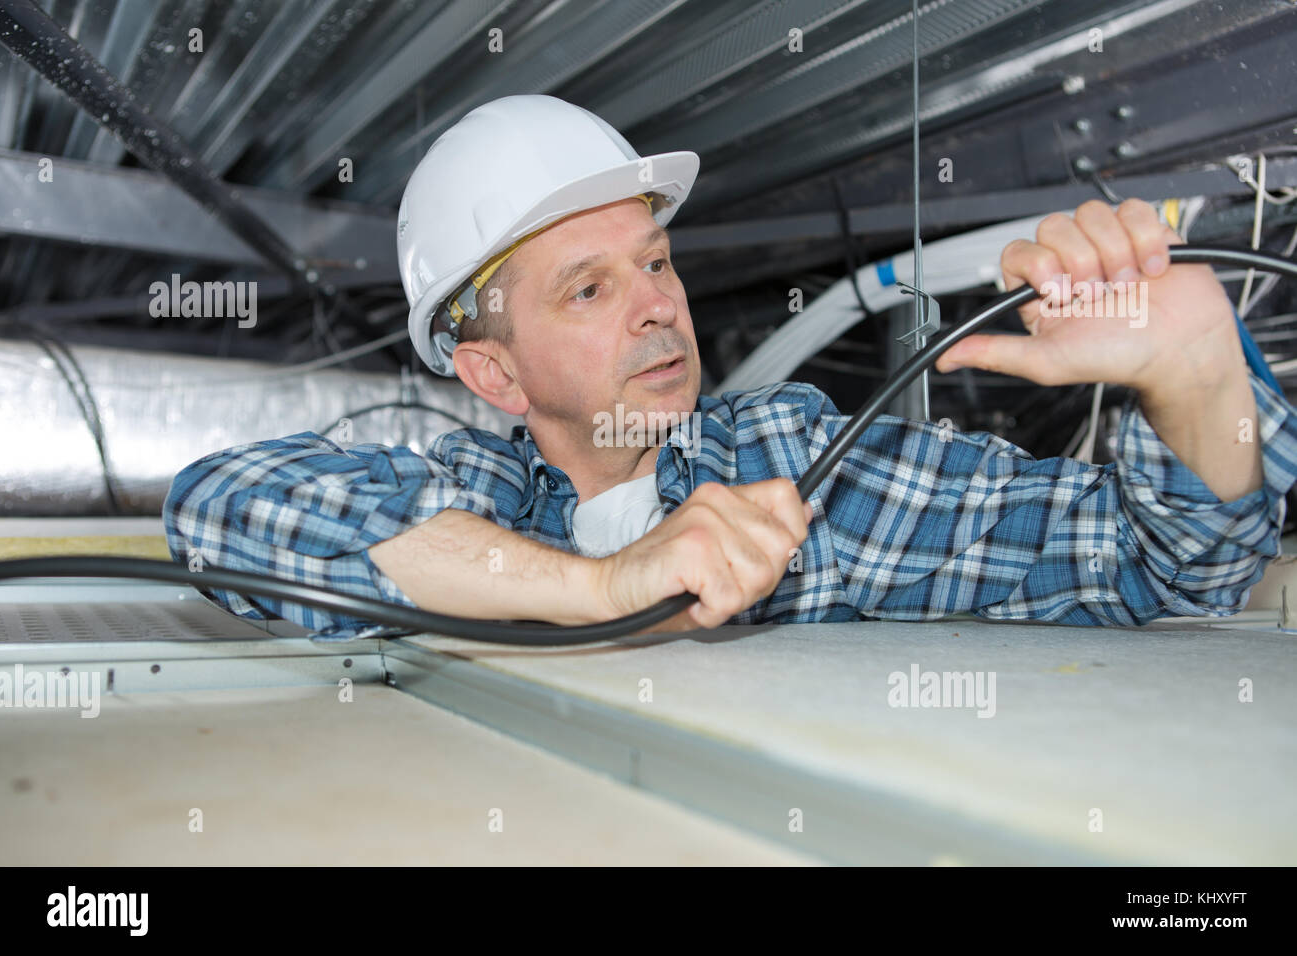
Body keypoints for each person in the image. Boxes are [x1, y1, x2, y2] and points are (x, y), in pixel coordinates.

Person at [163, 94, 1297, 641]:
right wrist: (604, 586)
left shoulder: (804, 472)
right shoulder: (466, 494)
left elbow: (1175, 566)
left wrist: (1196, 380)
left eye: (654, 261)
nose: (659, 304)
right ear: (494, 375)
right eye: (589, 288)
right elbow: (218, 508)